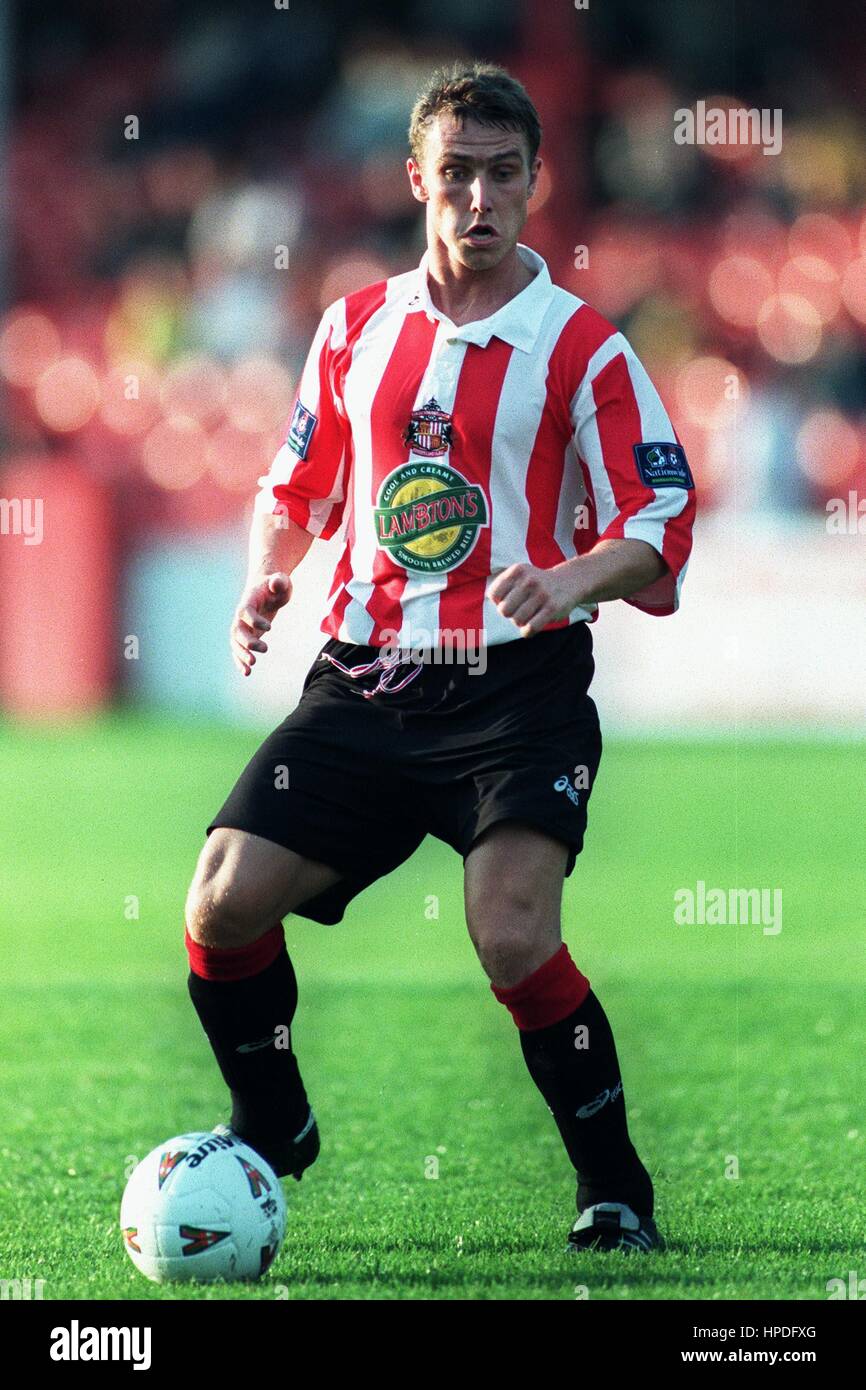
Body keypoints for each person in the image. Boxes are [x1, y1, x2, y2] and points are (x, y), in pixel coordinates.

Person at [184, 61, 695, 1254]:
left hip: (516, 692)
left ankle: (613, 1186)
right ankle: (272, 1119)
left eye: (500, 174)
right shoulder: (352, 328)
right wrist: (269, 568)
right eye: (454, 173)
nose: (477, 197)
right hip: (364, 681)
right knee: (220, 903)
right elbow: (295, 486)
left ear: (533, 183)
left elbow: (658, 522)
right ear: (415, 178)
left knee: (511, 931)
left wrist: (566, 577)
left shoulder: (580, 348)